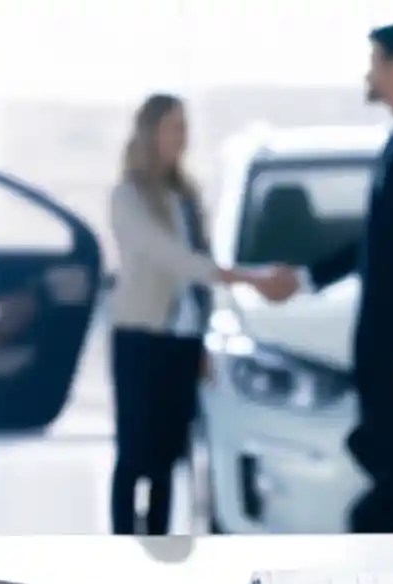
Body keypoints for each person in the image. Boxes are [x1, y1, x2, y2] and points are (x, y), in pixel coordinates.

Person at [253, 23, 393, 533]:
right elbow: (379, 243)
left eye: (375, 61)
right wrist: (307, 278)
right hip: (379, 343)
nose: (368, 73)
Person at [108, 94, 259, 535]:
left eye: (184, 126)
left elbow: (197, 269)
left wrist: (204, 339)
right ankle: (121, 543)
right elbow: (169, 257)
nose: (181, 136)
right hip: (142, 336)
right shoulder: (129, 195)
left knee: (169, 452)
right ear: (150, 132)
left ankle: (157, 540)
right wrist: (243, 277)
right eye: (173, 126)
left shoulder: (187, 195)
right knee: (135, 450)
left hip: (183, 340)